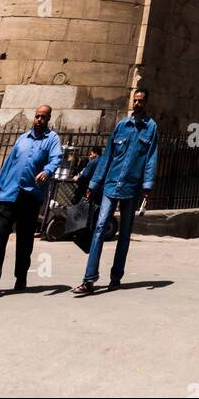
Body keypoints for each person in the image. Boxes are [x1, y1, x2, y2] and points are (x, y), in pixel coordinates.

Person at [0, 105, 62, 300]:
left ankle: (21, 277)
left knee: (25, 241)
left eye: (43, 117)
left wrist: (47, 171)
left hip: (30, 196)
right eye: (37, 116)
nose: (39, 120)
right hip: (10, 194)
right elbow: (8, 165)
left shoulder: (52, 139)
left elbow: (56, 158)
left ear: (48, 119)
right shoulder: (22, 139)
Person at [73, 88, 158, 295]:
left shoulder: (151, 128)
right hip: (111, 184)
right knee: (100, 227)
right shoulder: (121, 126)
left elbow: (151, 157)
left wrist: (147, 185)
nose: (137, 104)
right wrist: (94, 184)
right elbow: (107, 157)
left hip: (132, 185)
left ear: (146, 103)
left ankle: (116, 277)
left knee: (125, 234)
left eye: (141, 101)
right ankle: (89, 278)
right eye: (135, 100)